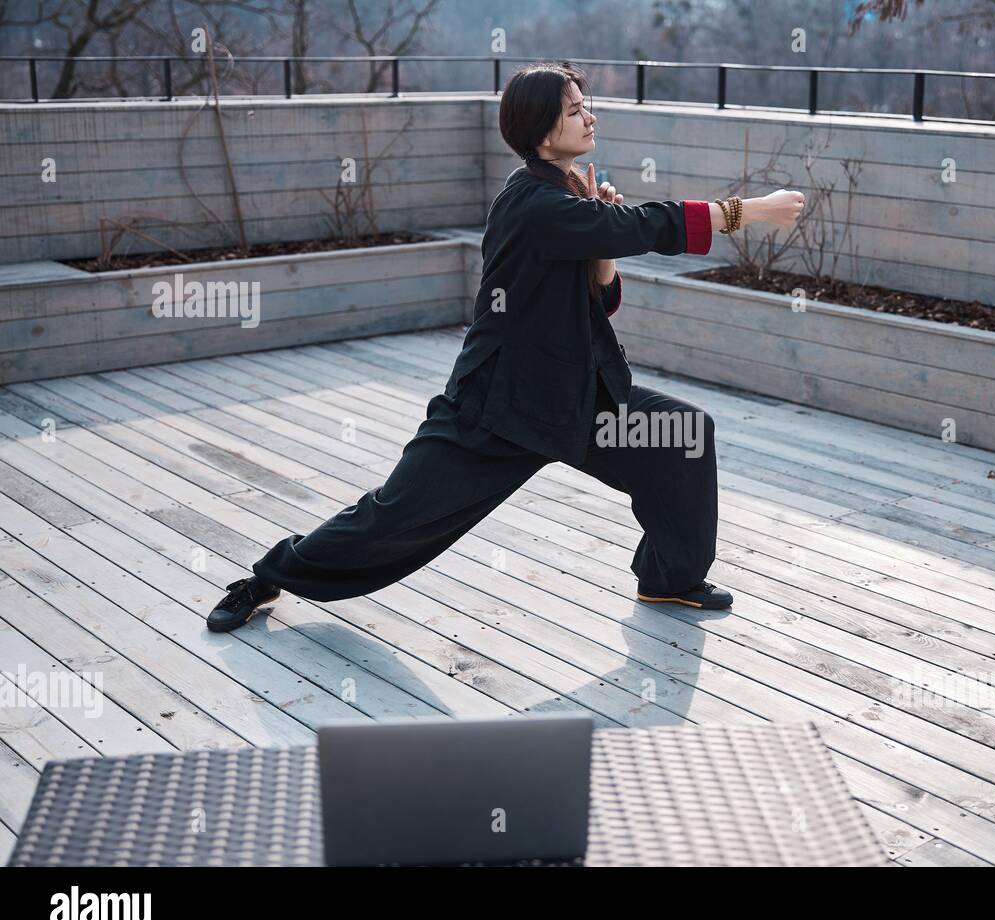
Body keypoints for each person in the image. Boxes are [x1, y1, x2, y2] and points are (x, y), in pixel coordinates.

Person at [206, 59, 805, 632]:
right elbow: (648, 225)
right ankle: (266, 577)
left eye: (585, 107)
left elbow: (601, 297)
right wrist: (749, 211)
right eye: (574, 111)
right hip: (499, 411)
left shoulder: (567, 198)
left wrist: (598, 236)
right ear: (543, 131)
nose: (589, 118)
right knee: (392, 518)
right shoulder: (535, 203)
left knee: (683, 438)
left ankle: (668, 578)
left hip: (576, 401)